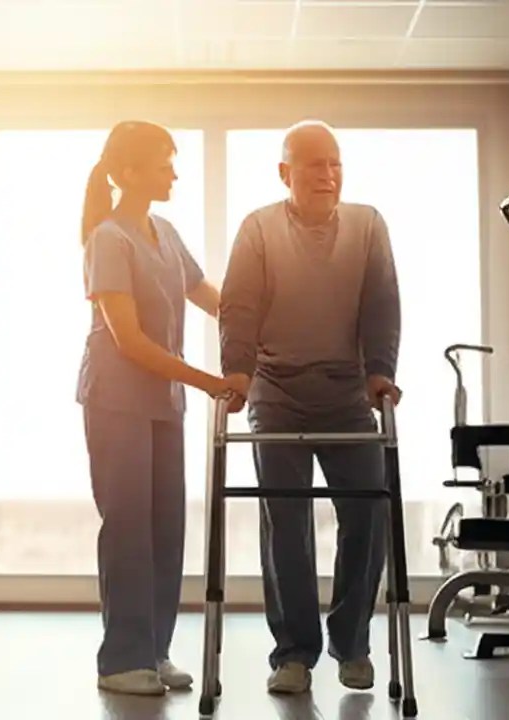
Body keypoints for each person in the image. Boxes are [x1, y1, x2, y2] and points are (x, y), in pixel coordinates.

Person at [217, 119, 403, 695]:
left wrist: (381, 374)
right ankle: (294, 653)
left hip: (348, 391)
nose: (327, 174)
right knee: (286, 524)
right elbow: (239, 305)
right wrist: (238, 375)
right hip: (276, 390)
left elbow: (381, 302)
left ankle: (352, 643)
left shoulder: (368, 224)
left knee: (367, 514)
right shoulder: (259, 228)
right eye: (314, 164)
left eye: (335, 163)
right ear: (285, 173)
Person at [77, 120, 248, 696]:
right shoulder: (108, 238)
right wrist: (209, 382)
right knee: (128, 527)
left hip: (162, 401)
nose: (173, 173)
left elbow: (209, 298)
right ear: (127, 172)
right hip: (116, 400)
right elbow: (128, 341)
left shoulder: (165, 232)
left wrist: (263, 329)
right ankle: (121, 660)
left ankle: (155, 650)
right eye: (162, 164)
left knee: (165, 527)